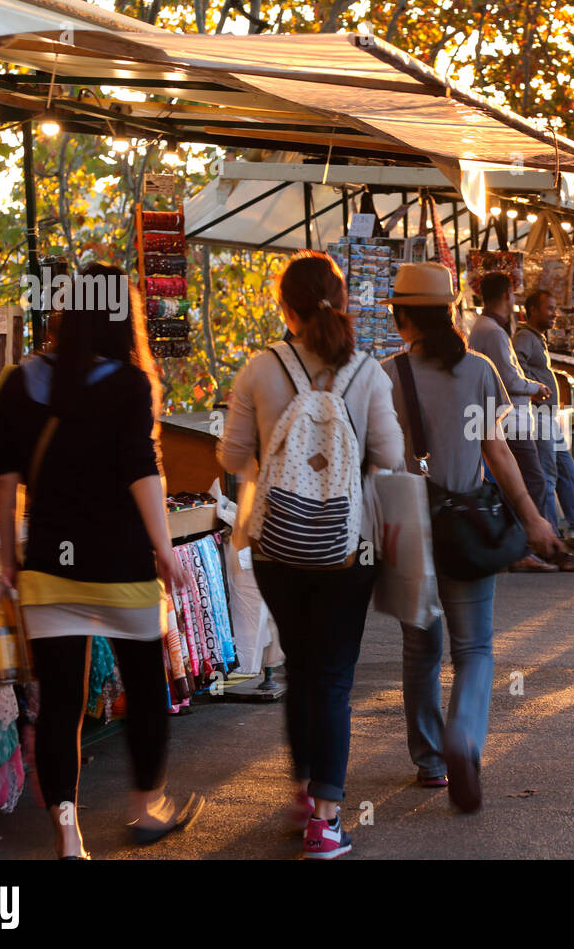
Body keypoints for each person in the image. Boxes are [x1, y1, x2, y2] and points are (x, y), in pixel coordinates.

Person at [0, 263, 202, 860]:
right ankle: (145, 806)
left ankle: (67, 835)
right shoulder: (129, 384)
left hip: (48, 570)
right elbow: (142, 470)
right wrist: (165, 549)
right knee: (146, 685)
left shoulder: (20, 380)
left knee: (59, 703)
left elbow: (6, 483)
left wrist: (10, 558)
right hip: (123, 566)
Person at [217, 251, 404, 859]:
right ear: (342, 302)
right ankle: (326, 820)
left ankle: (304, 788)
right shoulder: (369, 372)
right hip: (349, 547)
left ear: (284, 306)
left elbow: (230, 457)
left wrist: (281, 476)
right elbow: (392, 457)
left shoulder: (260, 369)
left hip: (275, 544)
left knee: (301, 665)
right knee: (333, 676)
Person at [383, 262, 560, 812]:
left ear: (400, 316)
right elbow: (497, 452)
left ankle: (431, 762)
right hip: (467, 526)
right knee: (475, 648)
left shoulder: (386, 374)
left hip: (408, 529)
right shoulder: (481, 370)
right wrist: (532, 518)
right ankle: (464, 738)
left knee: (421, 648)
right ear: (450, 313)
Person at [468, 272, 574, 572]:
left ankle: (530, 545)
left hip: (503, 417)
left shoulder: (488, 328)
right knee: (534, 480)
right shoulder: (494, 332)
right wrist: (536, 387)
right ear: (509, 295)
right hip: (511, 419)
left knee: (527, 480)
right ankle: (543, 546)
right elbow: (508, 377)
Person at [513, 288, 574, 552]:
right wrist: (533, 388)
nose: (554, 313)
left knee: (566, 471)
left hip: (548, 416)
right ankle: (550, 535)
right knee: (547, 475)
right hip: (539, 415)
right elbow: (514, 367)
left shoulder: (537, 338)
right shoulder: (524, 337)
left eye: (555, 308)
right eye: (549, 308)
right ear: (532, 310)